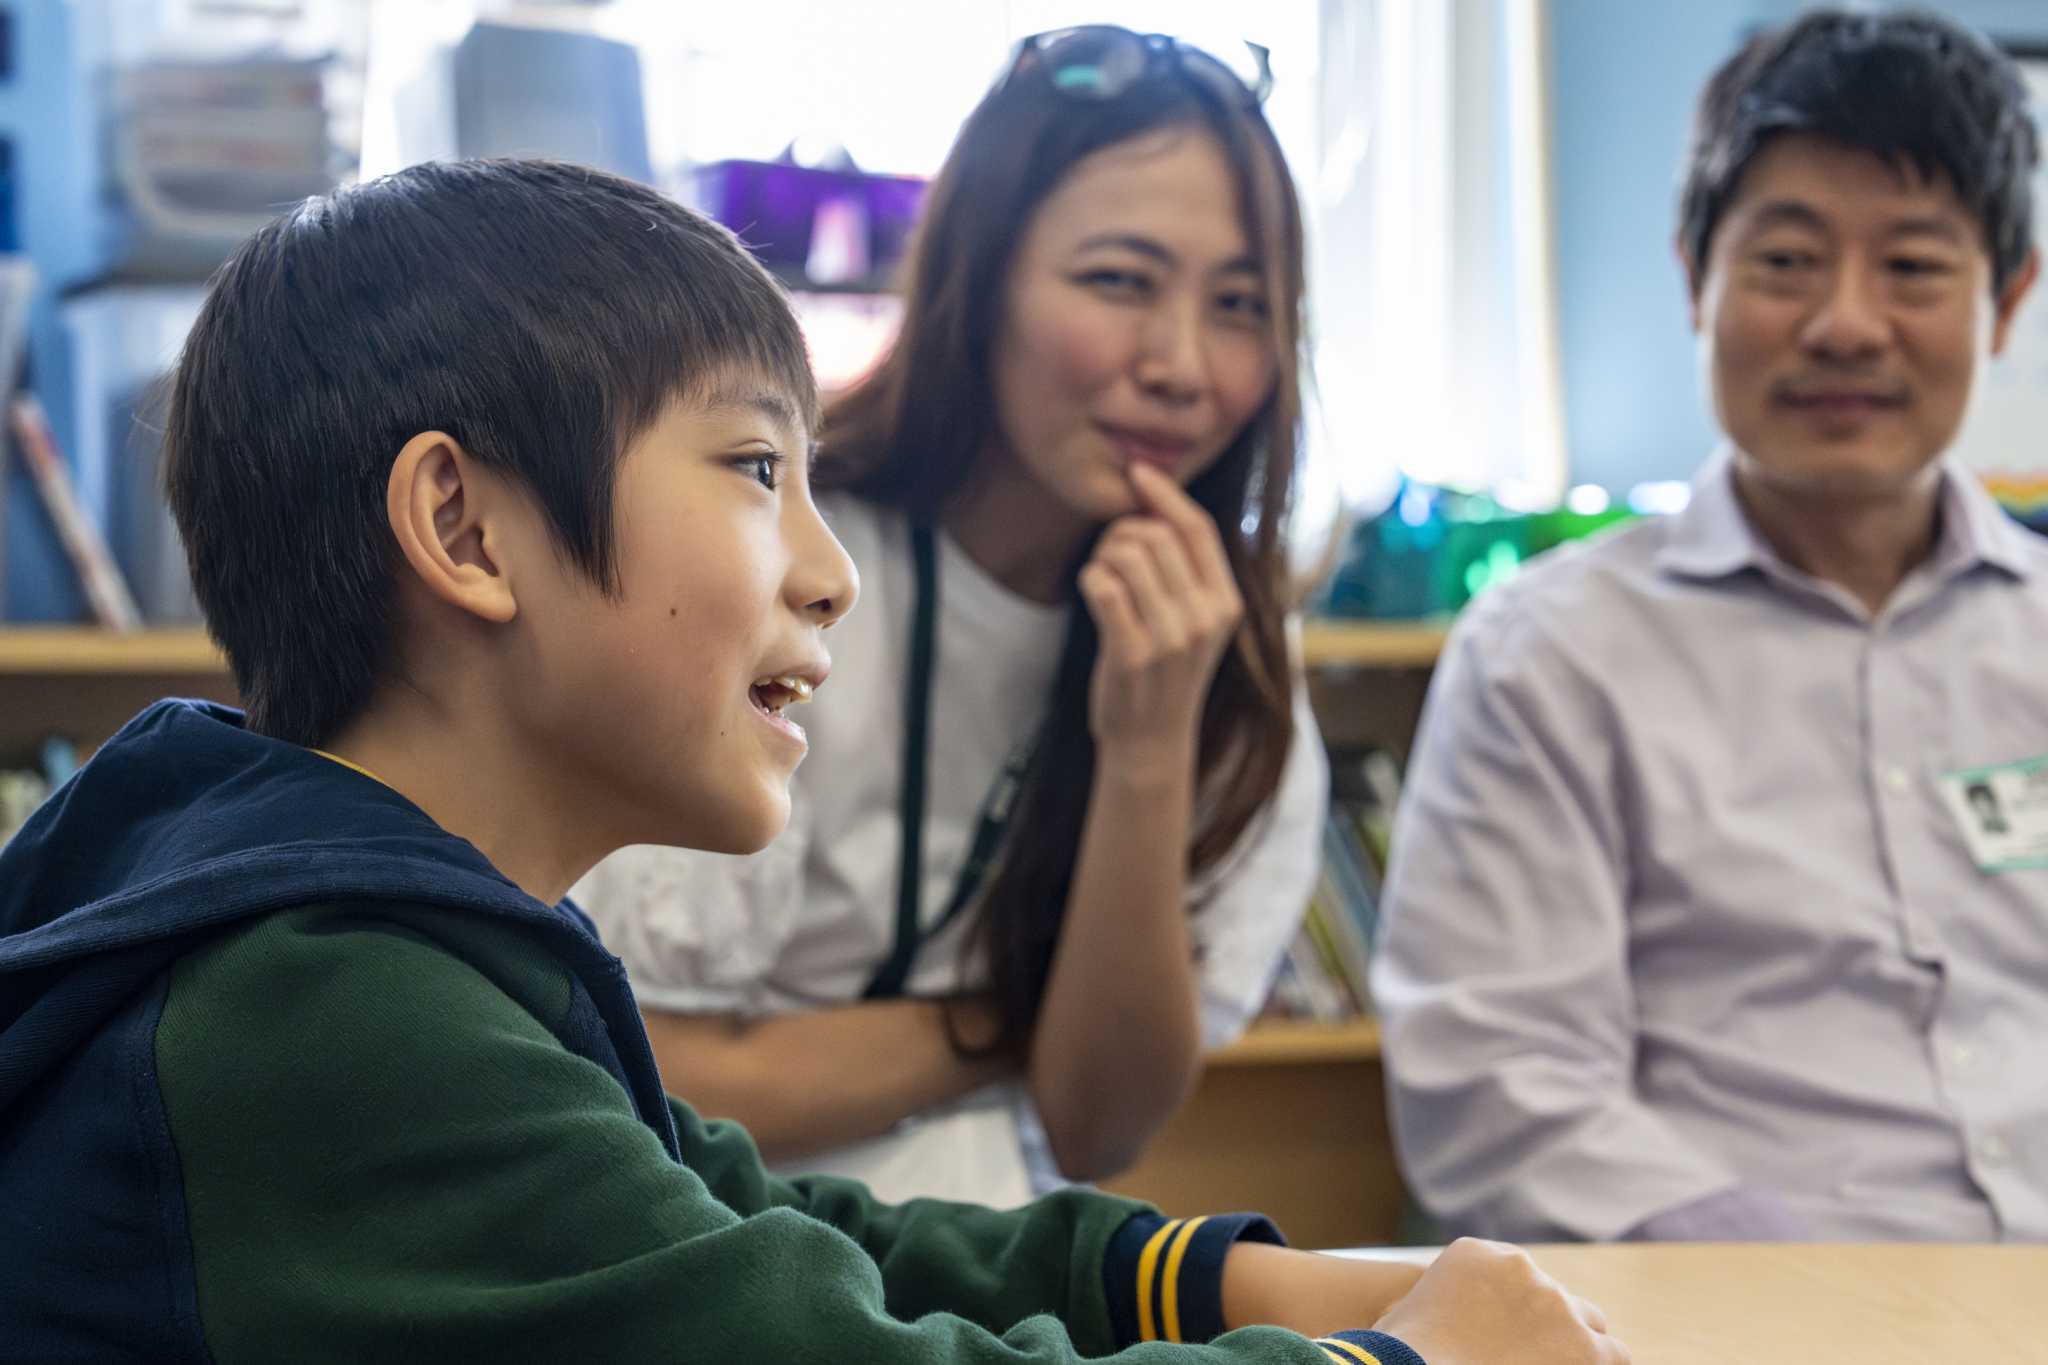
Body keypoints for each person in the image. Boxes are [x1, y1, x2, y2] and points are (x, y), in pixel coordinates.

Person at [0, 158, 1630, 1365]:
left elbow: (786, 1240)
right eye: (755, 466)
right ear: (462, 528)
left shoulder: (378, 944)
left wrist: (1217, 1284)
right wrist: (1407, 1362)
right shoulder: (329, 1026)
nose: (824, 567)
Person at [577, 25, 1330, 1206]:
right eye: (1118, 281)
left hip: (993, 1265)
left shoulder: (1221, 651)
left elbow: (1099, 1125)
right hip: (684, 1232)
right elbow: (646, 1073)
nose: (1182, 364)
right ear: (976, 278)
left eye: (1241, 305)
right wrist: (1002, 1022)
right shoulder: (772, 551)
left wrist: (1147, 745)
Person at [1372, 7, 2048, 1244]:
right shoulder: (1549, 655)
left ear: (2004, 302)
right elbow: (1502, 1090)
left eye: (1911, 266)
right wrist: (1813, 1306)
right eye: (1785, 260)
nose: (1845, 323)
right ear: (1695, 281)